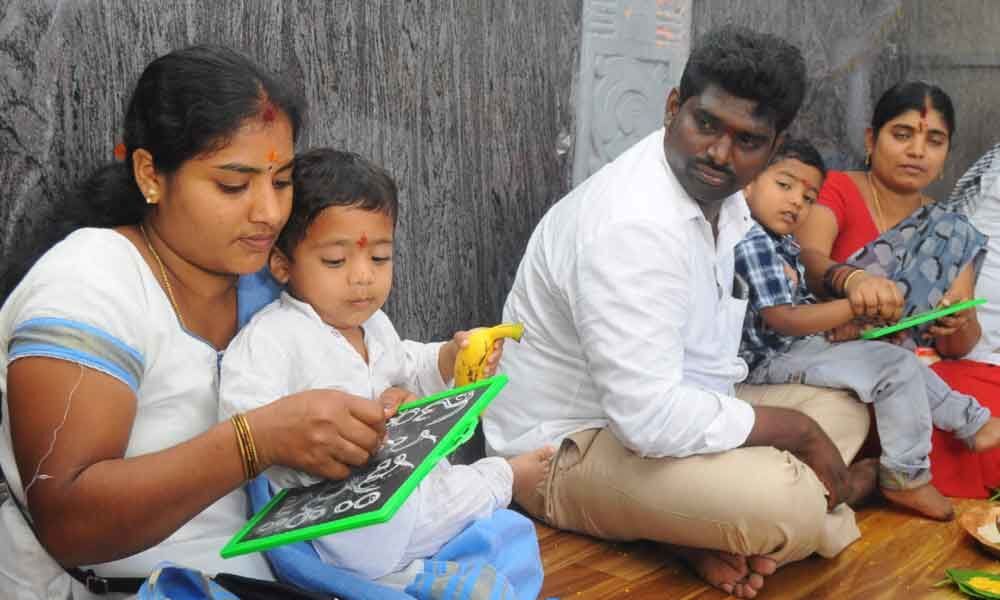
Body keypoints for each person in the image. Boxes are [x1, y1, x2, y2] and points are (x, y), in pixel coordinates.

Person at [483, 26, 876, 600]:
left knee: (844, 410)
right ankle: (796, 518)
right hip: (563, 452)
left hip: (661, 420)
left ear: (774, 146)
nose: (719, 153)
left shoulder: (721, 200)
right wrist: (797, 433)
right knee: (784, 498)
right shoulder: (633, 222)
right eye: (707, 124)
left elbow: (694, 383)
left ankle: (690, 527)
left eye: (748, 140)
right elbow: (644, 418)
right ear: (673, 108)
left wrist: (806, 430)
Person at [0, 45, 393, 598]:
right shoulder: (89, 283)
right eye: (233, 186)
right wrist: (256, 441)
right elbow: (69, 523)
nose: (269, 212)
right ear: (150, 174)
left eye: (281, 182)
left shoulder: (270, 281)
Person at [218, 148, 553, 584]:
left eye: (379, 258)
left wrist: (448, 358)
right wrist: (310, 439)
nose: (362, 277)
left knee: (481, 513)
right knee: (469, 494)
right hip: (346, 526)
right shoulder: (273, 337)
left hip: (402, 490)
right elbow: (241, 422)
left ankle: (431, 552)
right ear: (282, 264)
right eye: (336, 261)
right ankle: (506, 476)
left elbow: (407, 365)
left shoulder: (374, 325)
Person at [736, 137, 1000, 521]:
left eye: (809, 197)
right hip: (767, 359)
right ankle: (906, 477)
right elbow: (783, 318)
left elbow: (797, 311)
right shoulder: (751, 241)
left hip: (797, 343)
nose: (797, 202)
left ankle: (971, 422)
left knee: (895, 358)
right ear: (747, 184)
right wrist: (848, 309)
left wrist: (850, 326)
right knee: (893, 368)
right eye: (784, 185)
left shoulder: (779, 242)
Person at [796, 81, 1000, 499]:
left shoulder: (949, 227)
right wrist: (854, 281)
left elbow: (958, 346)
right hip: (834, 352)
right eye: (902, 134)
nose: (917, 150)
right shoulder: (837, 188)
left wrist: (955, 320)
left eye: (934, 140)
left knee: (984, 393)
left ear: (946, 156)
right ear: (872, 140)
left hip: (921, 363)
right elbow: (809, 260)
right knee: (924, 407)